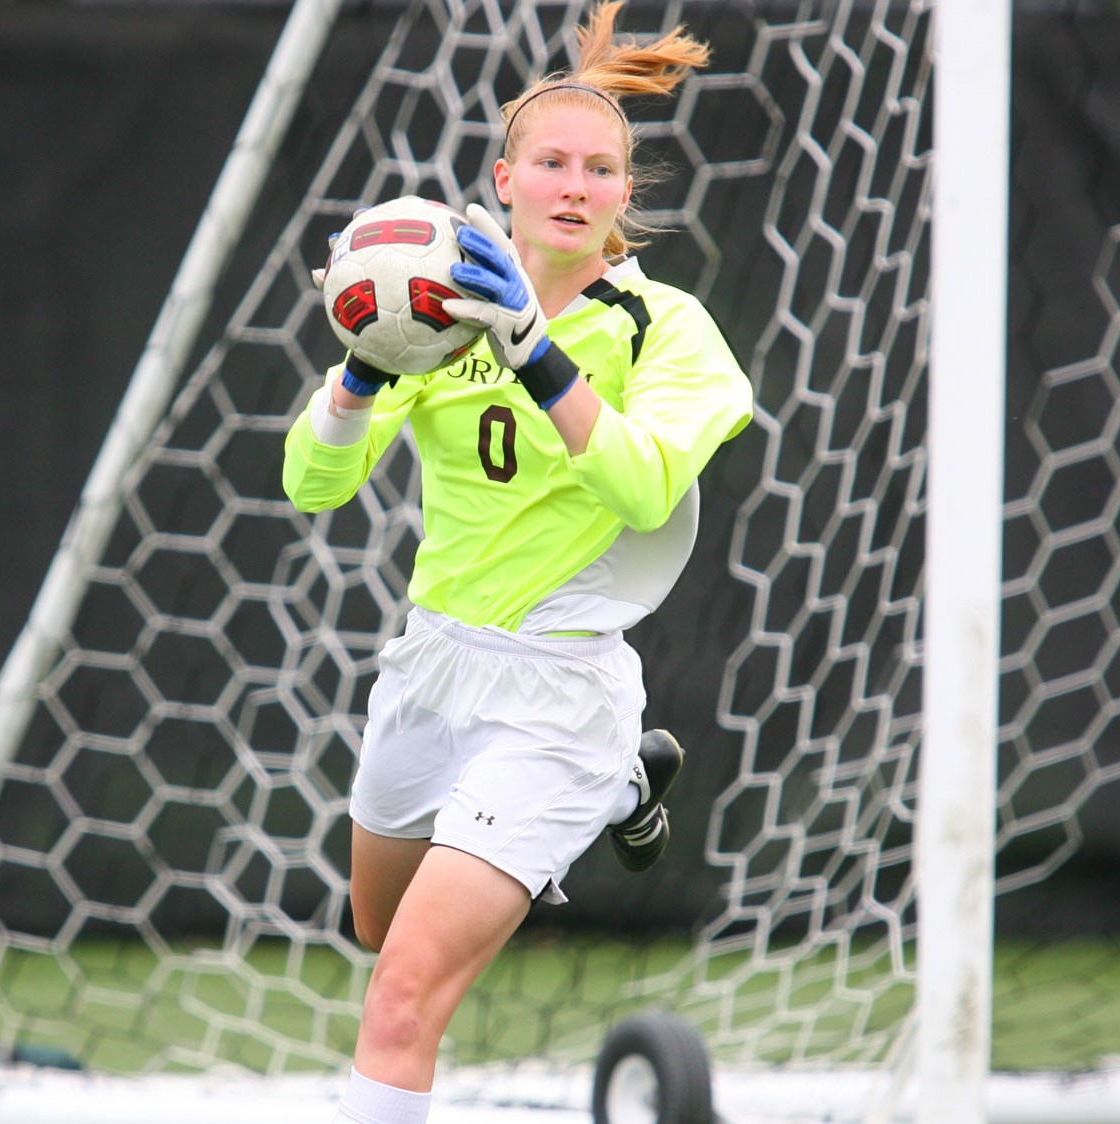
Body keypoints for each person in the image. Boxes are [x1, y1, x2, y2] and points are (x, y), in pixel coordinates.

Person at [281, 4, 752, 1122]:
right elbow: (311, 482)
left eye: (601, 168)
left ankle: (601, 771)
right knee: (373, 929)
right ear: (503, 179)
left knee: (401, 1000)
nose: (575, 183)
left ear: (622, 196)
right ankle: (627, 784)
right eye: (550, 162)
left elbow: (641, 485)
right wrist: (358, 373)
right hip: (433, 665)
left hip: (554, 689)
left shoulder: (661, 329)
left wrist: (534, 354)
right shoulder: (431, 308)